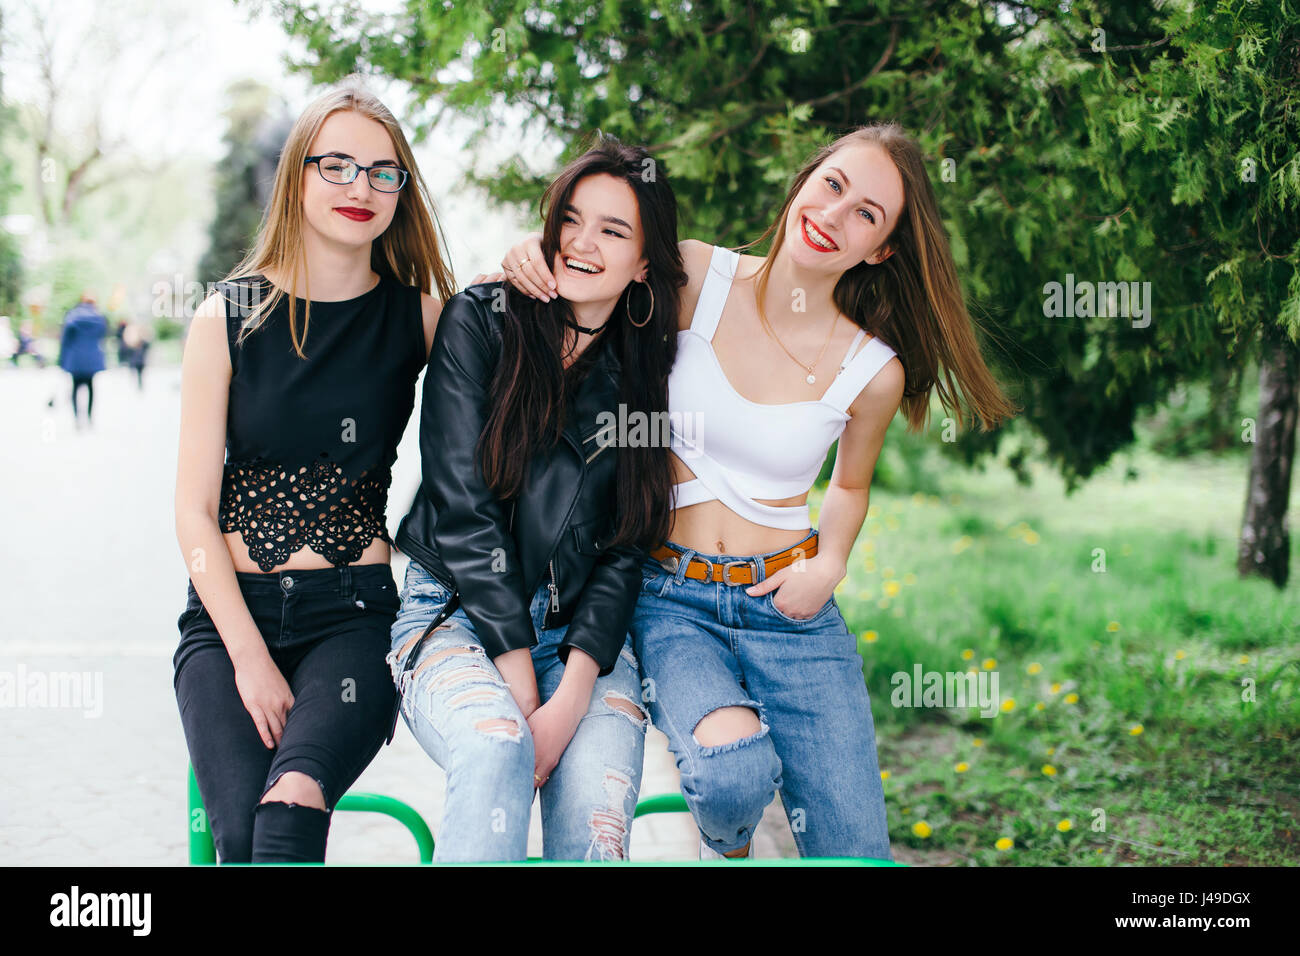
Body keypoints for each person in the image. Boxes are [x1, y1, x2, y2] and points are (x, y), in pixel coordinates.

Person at [501, 122, 1020, 860]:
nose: (835, 214)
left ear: (882, 249)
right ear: (805, 180)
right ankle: (732, 847)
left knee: (856, 853)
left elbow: (849, 485)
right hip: (669, 597)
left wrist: (829, 565)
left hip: (791, 612)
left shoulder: (873, 370)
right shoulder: (695, 277)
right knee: (733, 777)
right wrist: (529, 254)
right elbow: (592, 277)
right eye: (832, 185)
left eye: (866, 214)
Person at [172, 80, 455, 863]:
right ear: (298, 174)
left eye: (383, 172)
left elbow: (521, 391)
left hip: (354, 619)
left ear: (402, 190)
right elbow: (193, 511)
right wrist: (249, 658)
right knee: (239, 837)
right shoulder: (224, 318)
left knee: (289, 812)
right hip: (229, 621)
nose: (360, 188)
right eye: (337, 165)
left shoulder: (422, 317)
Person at [386, 134, 683, 862]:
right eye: (571, 220)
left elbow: (627, 544)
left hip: (583, 641)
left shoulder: (644, 370)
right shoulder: (482, 319)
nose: (582, 243)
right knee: (495, 749)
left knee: (597, 826)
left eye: (613, 231)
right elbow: (461, 501)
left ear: (644, 262)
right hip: (456, 611)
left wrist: (574, 690)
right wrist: (518, 672)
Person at [57, 292, 107, 429]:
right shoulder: (99, 317)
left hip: (75, 358)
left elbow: (65, 340)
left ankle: (77, 418)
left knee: (75, 387)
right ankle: (89, 417)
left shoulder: (72, 316)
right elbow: (103, 336)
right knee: (91, 387)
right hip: (92, 358)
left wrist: (61, 359)